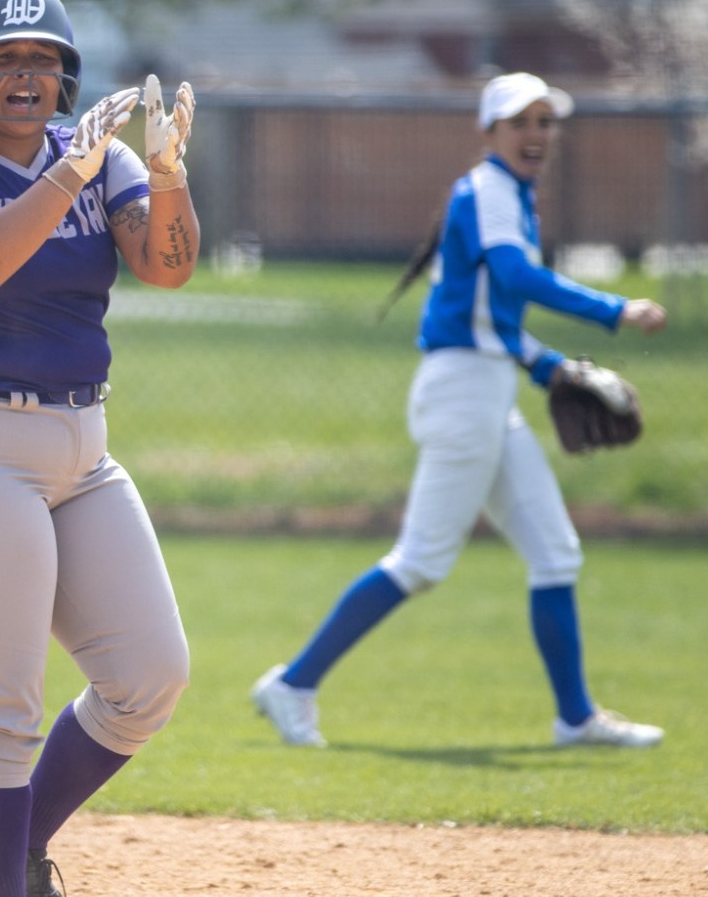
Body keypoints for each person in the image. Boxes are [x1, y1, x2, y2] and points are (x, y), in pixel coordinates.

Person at [0, 0, 200, 897]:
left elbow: (168, 268)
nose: (26, 75)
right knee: (1, 706)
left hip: (81, 443)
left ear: (68, 77)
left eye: (45, 59)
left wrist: (165, 172)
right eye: (3, 59)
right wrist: (67, 176)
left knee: (148, 678)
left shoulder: (99, 157)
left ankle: (10, 850)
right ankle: (2, 884)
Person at [251, 72, 669, 750]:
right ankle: (293, 685)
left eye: (545, 122)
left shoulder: (504, 195)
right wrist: (615, 309)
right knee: (420, 561)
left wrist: (552, 369)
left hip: (484, 389)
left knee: (555, 554)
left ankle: (575, 717)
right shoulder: (491, 191)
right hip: (465, 393)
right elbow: (514, 278)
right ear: (489, 131)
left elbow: (492, 320)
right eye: (520, 122)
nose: (536, 134)